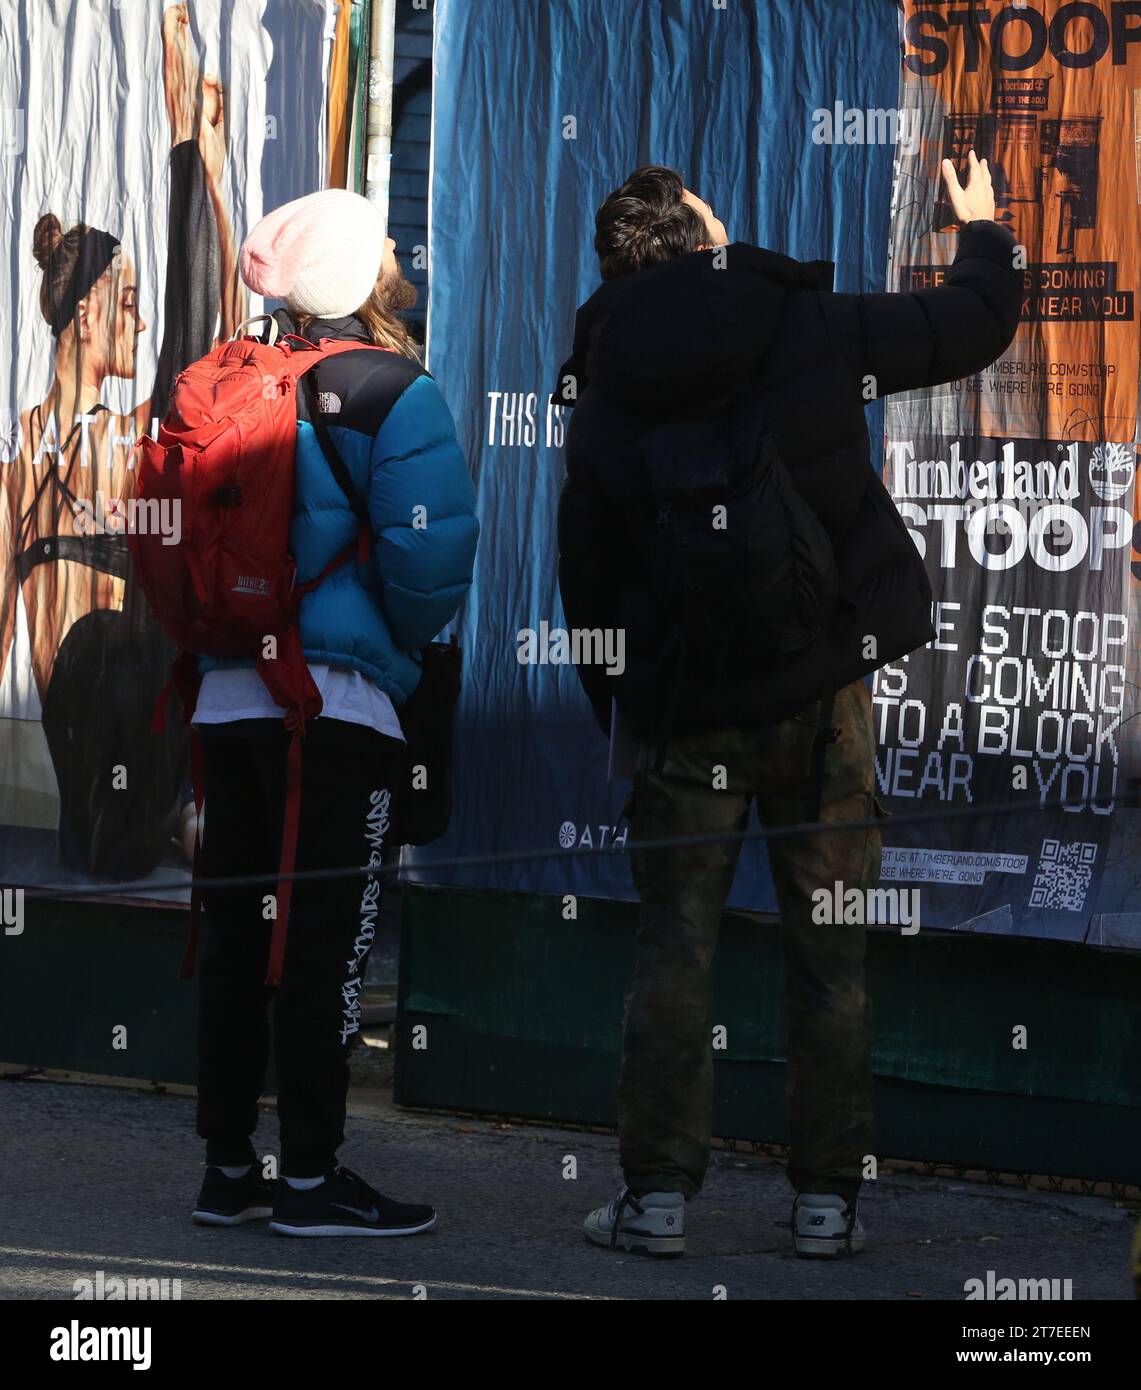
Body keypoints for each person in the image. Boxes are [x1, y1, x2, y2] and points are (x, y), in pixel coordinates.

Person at [555, 157, 1020, 1257]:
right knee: (831, 951)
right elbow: (970, 324)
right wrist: (985, 231)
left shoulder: (602, 365)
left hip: (682, 710)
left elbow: (585, 564)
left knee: (673, 950)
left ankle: (656, 1202)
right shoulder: (800, 320)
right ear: (702, 233)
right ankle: (824, 1206)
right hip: (822, 698)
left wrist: (619, 701)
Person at [189, 188, 478, 1237]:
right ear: (359, 280)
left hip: (226, 700)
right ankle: (309, 1180)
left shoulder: (221, 383)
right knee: (326, 943)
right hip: (335, 707)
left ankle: (228, 1167)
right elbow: (431, 563)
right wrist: (395, 652)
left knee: (233, 936)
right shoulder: (392, 391)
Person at [0, 1, 243, 880]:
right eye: (126, 299)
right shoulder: (27, 457)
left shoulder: (136, 431)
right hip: (79, 782)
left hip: (140, 760)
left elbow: (201, 333)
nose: (137, 318)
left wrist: (203, 170)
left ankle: (171, 829)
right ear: (85, 310)